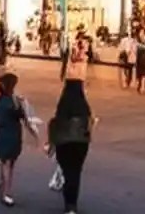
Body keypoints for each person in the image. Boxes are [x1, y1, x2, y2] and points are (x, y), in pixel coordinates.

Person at [48, 79, 94, 214]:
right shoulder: (84, 106)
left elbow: (56, 123)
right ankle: (72, 204)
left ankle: (68, 203)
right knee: (76, 172)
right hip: (80, 143)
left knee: (67, 171)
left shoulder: (63, 105)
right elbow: (89, 124)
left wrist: (52, 143)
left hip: (64, 142)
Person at [0, 72, 37, 207]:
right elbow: (25, 118)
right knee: (10, 164)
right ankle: (6, 191)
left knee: (5, 162)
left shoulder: (0, 101)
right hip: (14, 134)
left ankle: (3, 188)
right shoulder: (15, 102)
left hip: (2, 133)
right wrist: (34, 134)